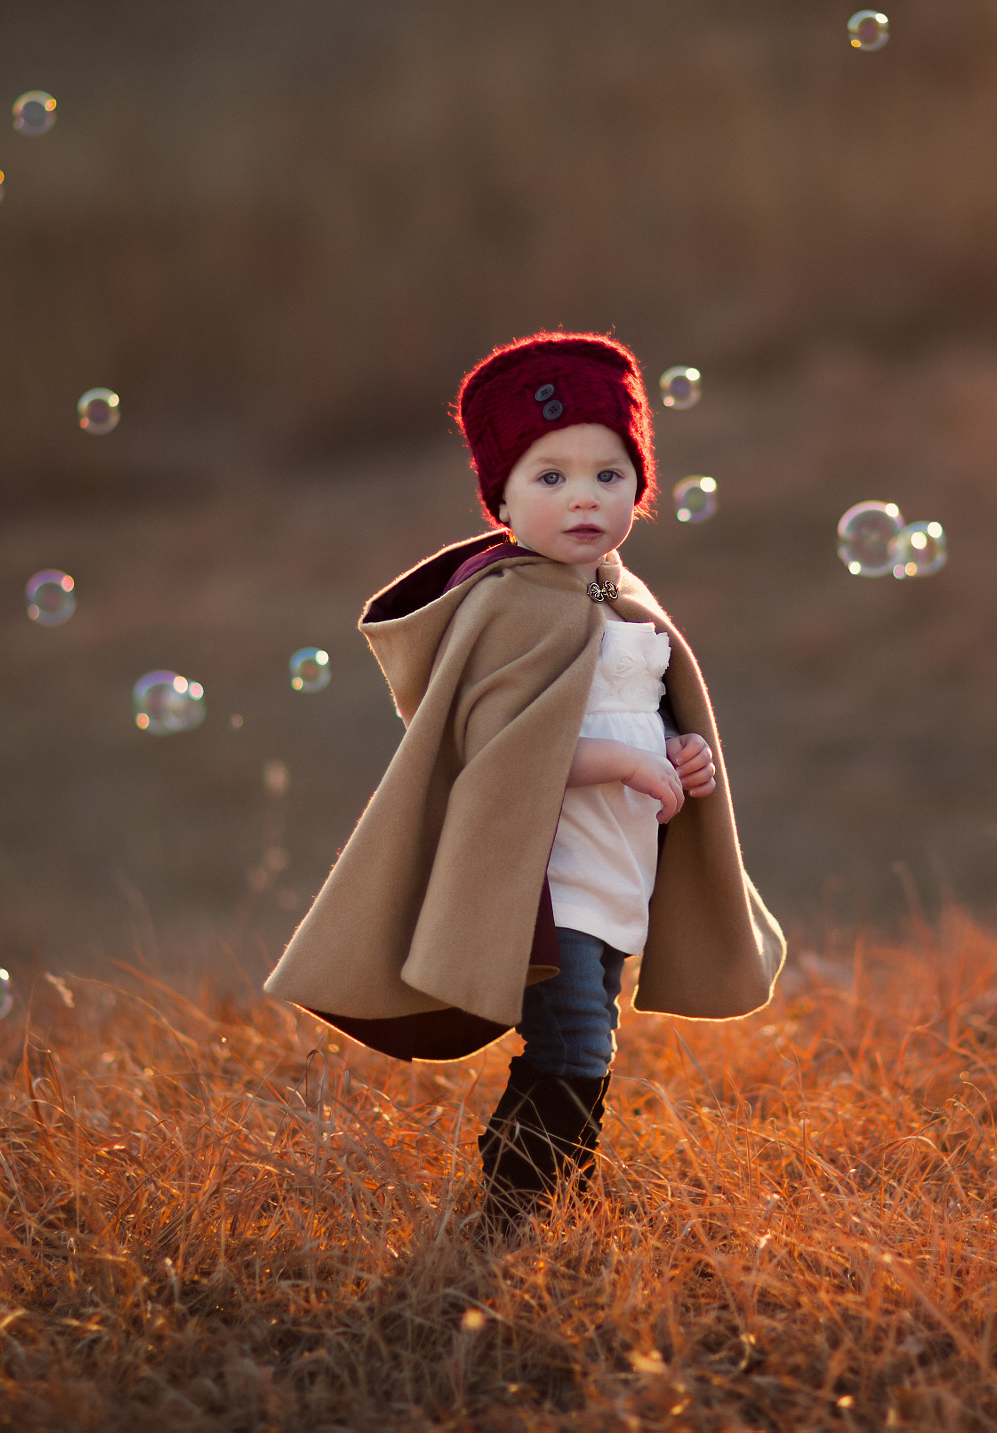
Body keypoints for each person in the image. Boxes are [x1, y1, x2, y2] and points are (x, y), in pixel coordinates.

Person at [262, 331, 784, 1237]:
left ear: (640, 488)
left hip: (618, 869)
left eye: (609, 474)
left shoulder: (623, 599)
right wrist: (626, 763)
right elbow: (499, 754)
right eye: (550, 477)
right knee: (574, 1036)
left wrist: (683, 753)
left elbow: (642, 713)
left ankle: (539, 1194)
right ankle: (519, 1202)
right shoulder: (506, 605)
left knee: (592, 1039)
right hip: (544, 885)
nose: (584, 495)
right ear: (499, 498)